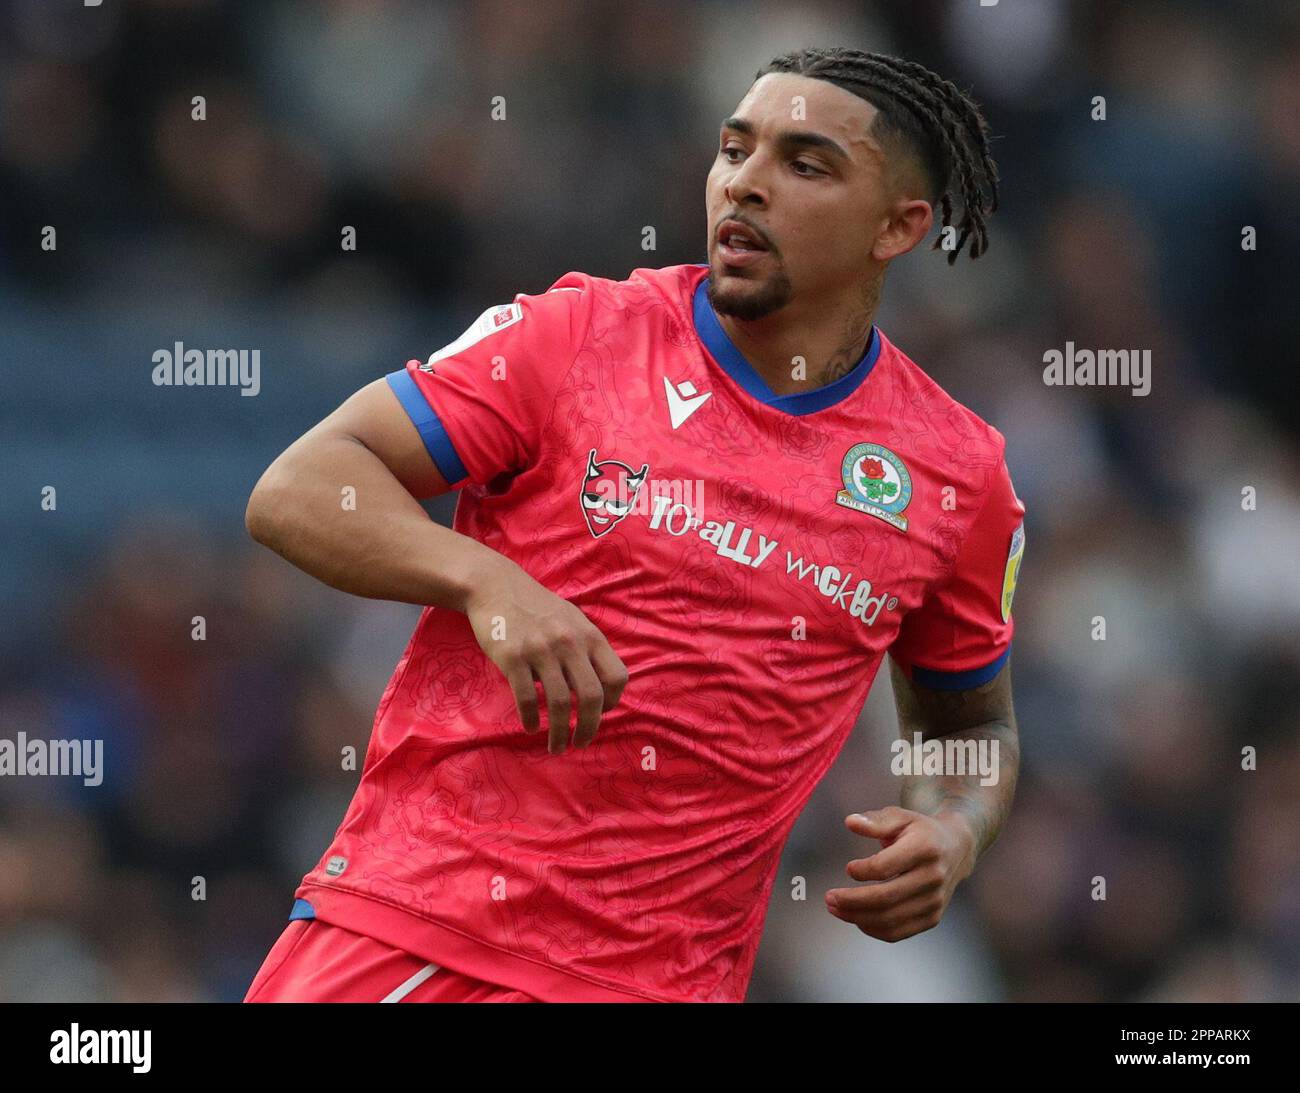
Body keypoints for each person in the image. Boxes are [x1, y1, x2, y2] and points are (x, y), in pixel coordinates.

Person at [243, 46, 1025, 1004]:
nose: (745, 184)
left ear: (899, 227)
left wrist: (954, 823)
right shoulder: (579, 335)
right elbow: (301, 486)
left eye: (805, 164)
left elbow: (969, 722)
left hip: (664, 984)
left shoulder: (956, 475)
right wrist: (485, 580)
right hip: (425, 935)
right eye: (735, 150)